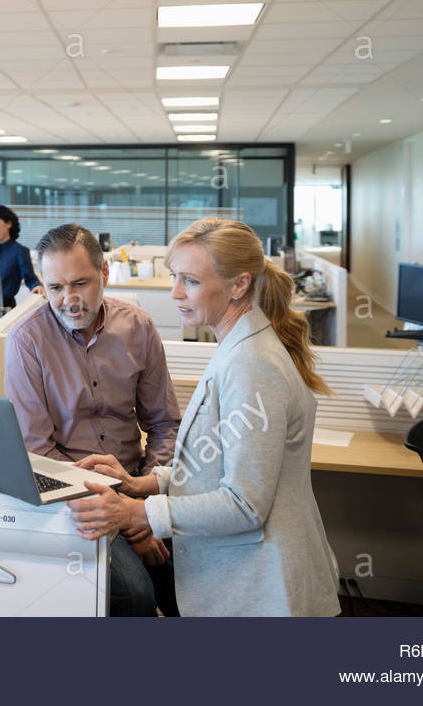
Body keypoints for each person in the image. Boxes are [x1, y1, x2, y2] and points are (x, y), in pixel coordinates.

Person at [70, 217, 340, 617]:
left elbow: (244, 504)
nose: (175, 292)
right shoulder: (239, 349)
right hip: (252, 581)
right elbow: (214, 461)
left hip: (265, 589)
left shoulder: (251, 365)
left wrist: (134, 512)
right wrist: (142, 483)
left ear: (239, 285)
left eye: (191, 281)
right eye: (175, 276)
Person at [4, 224, 180, 616]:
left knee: (196, 573)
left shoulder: (137, 326)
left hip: (137, 479)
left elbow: (164, 423)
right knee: (135, 595)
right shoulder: (26, 341)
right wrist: (118, 513)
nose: (68, 299)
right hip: (72, 494)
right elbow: (37, 450)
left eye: (80, 283)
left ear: (104, 274)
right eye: (55, 287)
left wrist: (143, 502)